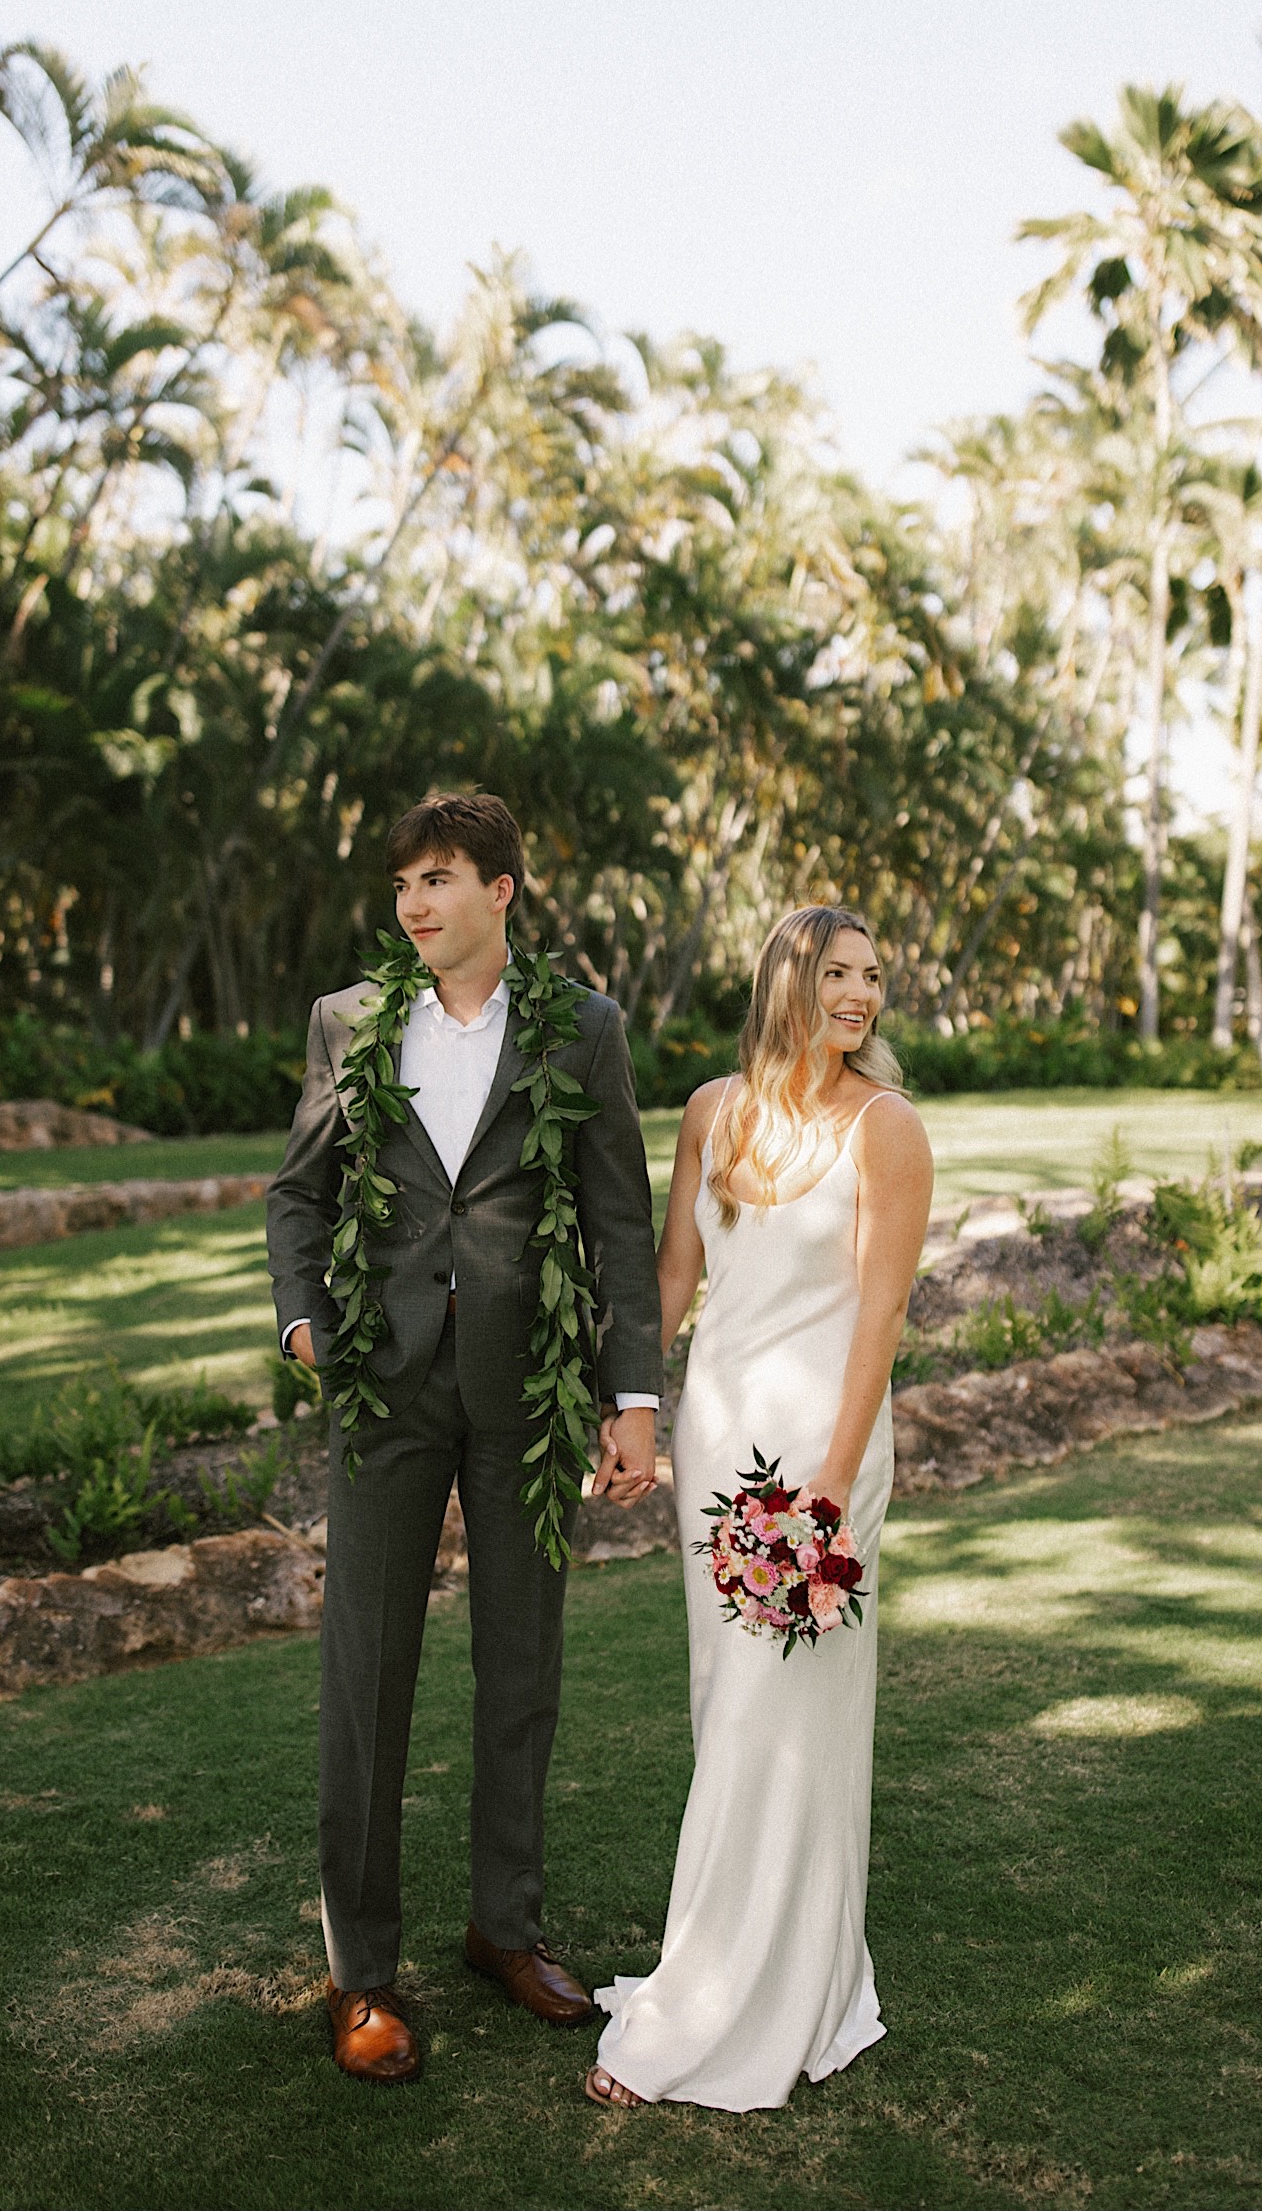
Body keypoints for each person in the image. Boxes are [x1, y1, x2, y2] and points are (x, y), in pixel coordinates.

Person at [267, 792, 663, 2084]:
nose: (413, 905)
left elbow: (617, 1224)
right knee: (367, 1678)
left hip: (526, 1391)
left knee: (522, 1669)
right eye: (402, 888)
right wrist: (303, 1322)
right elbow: (299, 1193)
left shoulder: (583, 1029)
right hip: (384, 1387)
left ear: (503, 888)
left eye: (437, 879)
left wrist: (634, 1396)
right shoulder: (351, 1021)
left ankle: (506, 1924)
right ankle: (361, 1970)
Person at [585, 905, 934, 2112]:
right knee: (721, 1705)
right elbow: (675, 1277)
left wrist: (834, 1485)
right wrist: (633, 1409)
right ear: (787, 978)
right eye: (838, 971)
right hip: (718, 1439)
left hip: (820, 1462)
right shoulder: (709, 1113)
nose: (861, 994)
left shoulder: (887, 1130)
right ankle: (769, 1969)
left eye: (874, 977)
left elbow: (880, 1318)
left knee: (776, 1721)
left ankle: (733, 2011)